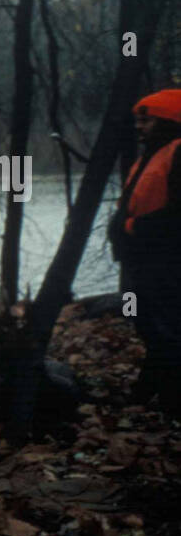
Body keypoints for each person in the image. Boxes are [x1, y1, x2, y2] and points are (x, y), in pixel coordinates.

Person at [109, 88, 181, 416]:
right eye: (139, 121)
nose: (139, 127)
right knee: (143, 320)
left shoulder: (177, 154)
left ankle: (166, 397)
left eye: (147, 121)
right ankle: (151, 388)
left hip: (164, 261)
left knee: (165, 325)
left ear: (167, 120)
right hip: (140, 261)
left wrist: (134, 228)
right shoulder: (152, 154)